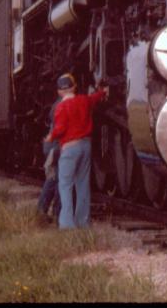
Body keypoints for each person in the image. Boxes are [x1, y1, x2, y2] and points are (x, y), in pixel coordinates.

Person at [45, 73, 107, 229]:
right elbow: (95, 98)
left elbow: (60, 129)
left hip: (70, 149)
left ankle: (67, 224)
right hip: (86, 146)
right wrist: (103, 91)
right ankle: (83, 221)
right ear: (74, 87)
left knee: (65, 185)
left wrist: (50, 137)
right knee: (83, 184)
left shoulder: (61, 107)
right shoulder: (84, 101)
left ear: (59, 92)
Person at [36, 83, 65, 223]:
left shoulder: (56, 104)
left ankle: (45, 211)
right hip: (56, 147)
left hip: (53, 146)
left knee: (54, 179)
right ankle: (55, 213)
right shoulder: (61, 105)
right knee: (57, 179)